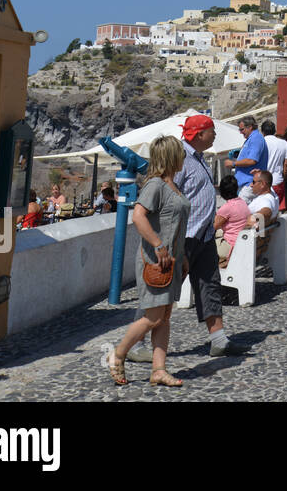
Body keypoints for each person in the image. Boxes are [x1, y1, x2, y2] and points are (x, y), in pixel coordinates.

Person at [129, 113, 245, 364]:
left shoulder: (199, 159)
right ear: (199, 134)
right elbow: (165, 193)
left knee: (210, 284)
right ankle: (135, 345)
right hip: (184, 237)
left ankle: (218, 340)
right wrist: (161, 241)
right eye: (211, 130)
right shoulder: (179, 159)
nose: (215, 134)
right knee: (160, 290)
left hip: (203, 236)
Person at [107, 135, 190, 387]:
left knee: (164, 317)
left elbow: (175, 225)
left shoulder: (173, 186)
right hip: (156, 260)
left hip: (171, 261)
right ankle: (118, 353)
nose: (184, 158)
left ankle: (158, 370)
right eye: (180, 153)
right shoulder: (155, 185)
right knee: (153, 317)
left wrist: (182, 255)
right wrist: (158, 244)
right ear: (171, 157)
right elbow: (139, 217)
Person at [225, 116, 268, 198]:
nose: (240, 132)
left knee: (242, 210)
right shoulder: (252, 139)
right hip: (246, 184)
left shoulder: (256, 138)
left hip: (249, 184)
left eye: (242, 129)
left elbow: (252, 160)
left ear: (250, 127)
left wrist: (233, 163)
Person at [213, 175, 250, 267]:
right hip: (241, 241)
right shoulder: (242, 202)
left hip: (231, 245)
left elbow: (213, 227)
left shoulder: (226, 208)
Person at [262, 120, 287, 211]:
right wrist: (284, 177)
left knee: (264, 209)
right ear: (274, 131)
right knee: (279, 209)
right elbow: (286, 164)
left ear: (262, 132)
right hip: (277, 180)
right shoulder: (284, 143)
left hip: (262, 181)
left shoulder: (261, 143)